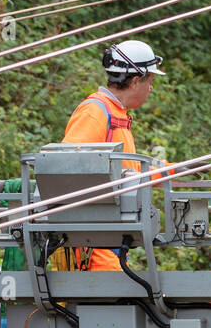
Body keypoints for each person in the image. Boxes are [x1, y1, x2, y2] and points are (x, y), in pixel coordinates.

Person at [61, 39, 166, 272]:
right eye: (151, 81)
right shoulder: (96, 112)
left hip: (111, 240)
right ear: (136, 80)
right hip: (94, 245)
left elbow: (131, 170)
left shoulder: (116, 115)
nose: (151, 88)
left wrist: (172, 169)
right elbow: (66, 168)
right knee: (121, 302)